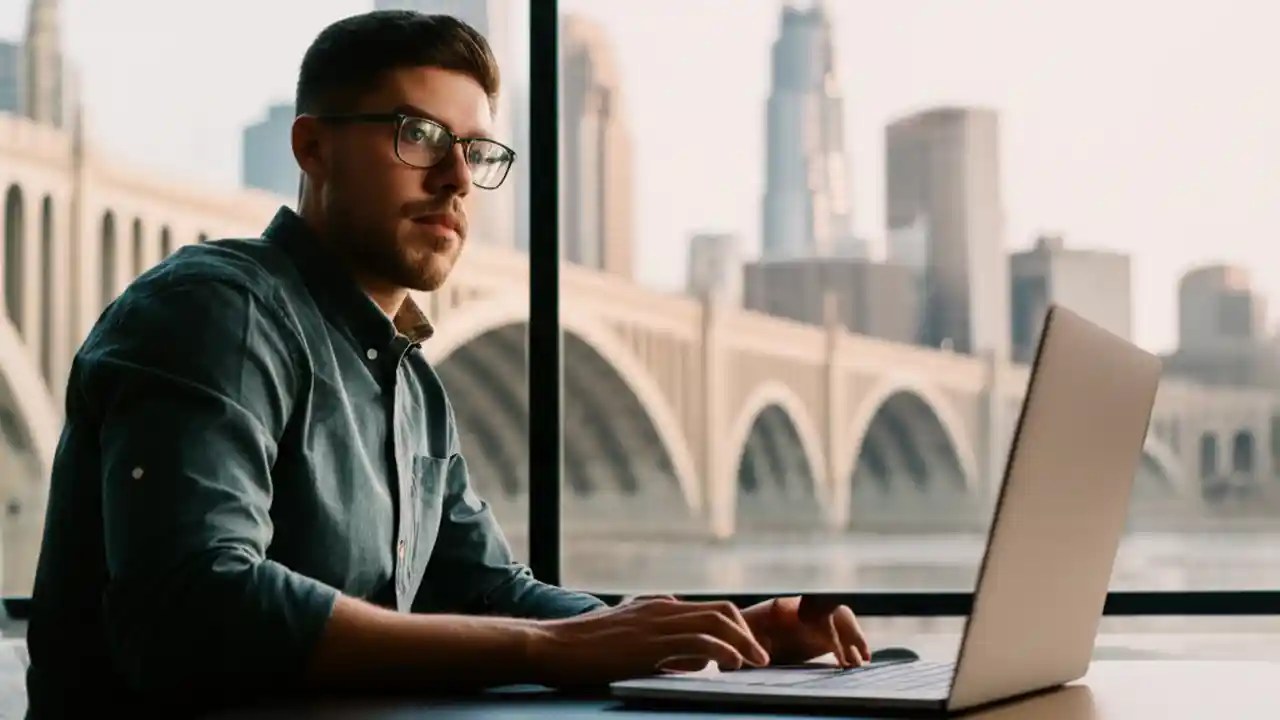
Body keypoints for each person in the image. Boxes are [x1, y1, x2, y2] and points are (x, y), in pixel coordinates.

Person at [24, 10, 869, 716]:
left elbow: (493, 592)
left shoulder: (410, 383)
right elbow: (196, 611)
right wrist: (554, 647)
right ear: (312, 149)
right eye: (419, 135)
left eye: (479, 151)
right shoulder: (218, 309)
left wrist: (722, 635)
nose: (458, 178)